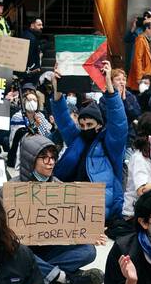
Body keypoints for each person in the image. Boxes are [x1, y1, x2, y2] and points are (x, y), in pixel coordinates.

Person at [16, 134, 104, 284]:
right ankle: (65, 278)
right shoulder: (11, 191)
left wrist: (88, 233)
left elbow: (70, 224)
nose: (50, 162)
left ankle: (39, 273)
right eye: (44, 158)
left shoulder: (60, 187)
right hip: (24, 250)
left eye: (53, 157)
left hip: (49, 249)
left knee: (88, 250)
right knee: (15, 252)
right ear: (31, 160)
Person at [51, 66, 129, 232]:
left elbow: (119, 122)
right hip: (70, 210)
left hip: (100, 215)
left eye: (90, 125)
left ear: (99, 125)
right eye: (82, 125)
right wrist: (57, 90)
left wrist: (110, 88)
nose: (85, 128)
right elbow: (63, 119)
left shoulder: (110, 144)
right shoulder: (76, 138)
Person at [128, 17, 151, 101]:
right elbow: (137, 59)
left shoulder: (147, 40)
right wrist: (139, 78)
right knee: (140, 100)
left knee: (144, 99)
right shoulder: (141, 40)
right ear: (147, 29)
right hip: (142, 76)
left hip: (146, 75)